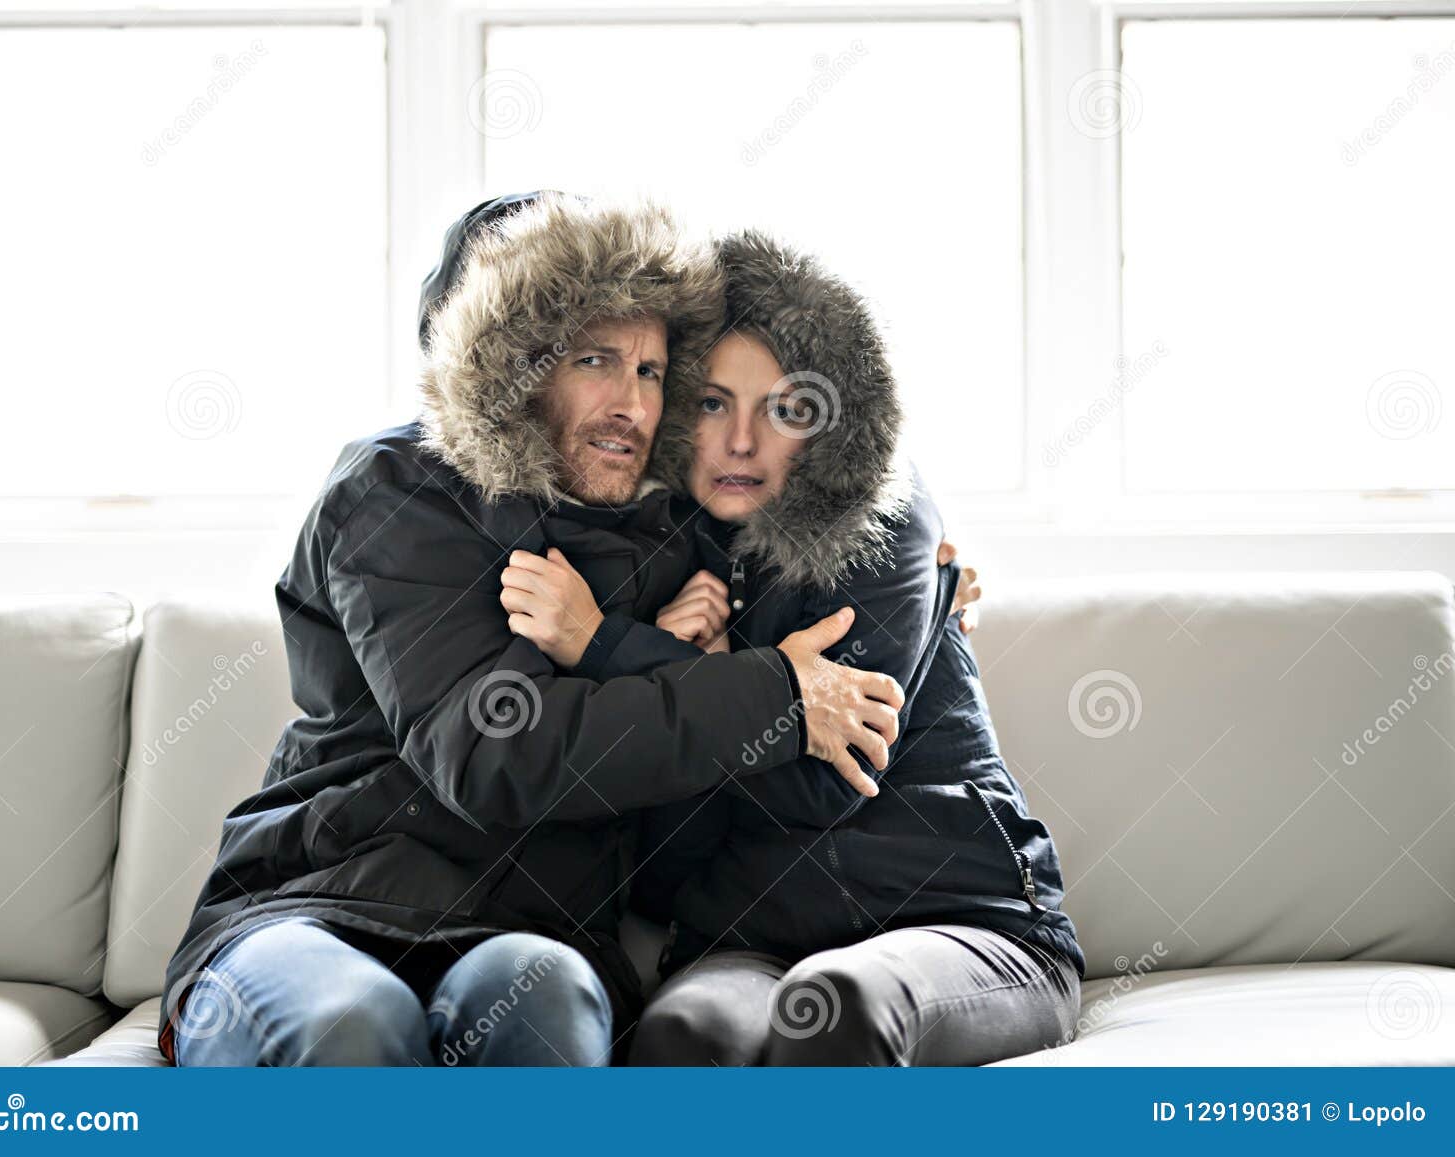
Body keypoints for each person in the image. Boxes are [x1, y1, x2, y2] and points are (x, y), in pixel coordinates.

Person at [155, 193, 911, 1067]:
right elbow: (490, 751)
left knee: (546, 1004)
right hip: (325, 910)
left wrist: (926, 572)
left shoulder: (668, 531)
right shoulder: (397, 491)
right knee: (353, 1024)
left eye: (653, 371)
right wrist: (773, 692)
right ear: (511, 363)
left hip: (536, 936)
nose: (632, 402)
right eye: (596, 359)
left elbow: (826, 481)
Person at [502, 231, 1086, 1066]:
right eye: (709, 402)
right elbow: (662, 858)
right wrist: (711, 677)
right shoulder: (655, 557)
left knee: (841, 1000)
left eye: (785, 409)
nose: (741, 441)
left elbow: (820, 786)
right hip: (746, 935)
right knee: (682, 1033)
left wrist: (624, 653)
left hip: (957, 917)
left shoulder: (880, 522)